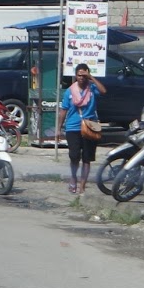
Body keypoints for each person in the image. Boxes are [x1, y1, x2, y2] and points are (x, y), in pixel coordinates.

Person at [59, 62, 107, 194]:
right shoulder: (69, 91)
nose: (82, 78)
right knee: (74, 156)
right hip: (73, 127)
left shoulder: (92, 88)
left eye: (84, 75)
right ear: (76, 76)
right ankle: (73, 178)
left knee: (87, 158)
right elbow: (63, 110)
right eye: (79, 75)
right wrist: (58, 128)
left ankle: (82, 186)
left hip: (90, 127)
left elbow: (103, 91)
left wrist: (92, 78)